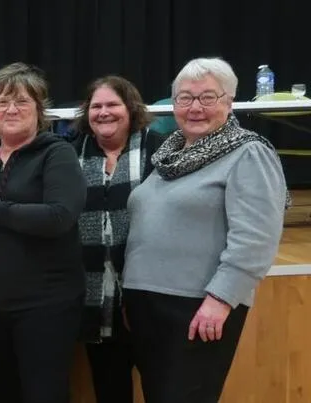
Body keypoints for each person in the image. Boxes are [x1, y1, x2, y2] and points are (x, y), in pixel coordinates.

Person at [123, 57, 287, 403]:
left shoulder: (248, 153)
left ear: (229, 102)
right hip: (148, 303)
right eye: (185, 98)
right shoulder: (169, 155)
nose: (195, 107)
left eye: (207, 97)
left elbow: (256, 237)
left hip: (199, 306)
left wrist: (221, 298)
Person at [0, 63, 87, 403]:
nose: (11, 109)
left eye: (22, 101)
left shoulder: (57, 153)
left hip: (46, 307)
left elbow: (58, 217)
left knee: (43, 394)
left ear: (39, 109)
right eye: (2, 102)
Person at [69, 75, 165, 403]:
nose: (104, 112)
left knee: (164, 386)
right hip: (95, 295)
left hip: (148, 291)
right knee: (110, 389)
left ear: (130, 108)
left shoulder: (160, 150)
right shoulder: (69, 154)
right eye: (96, 106)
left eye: (113, 104)